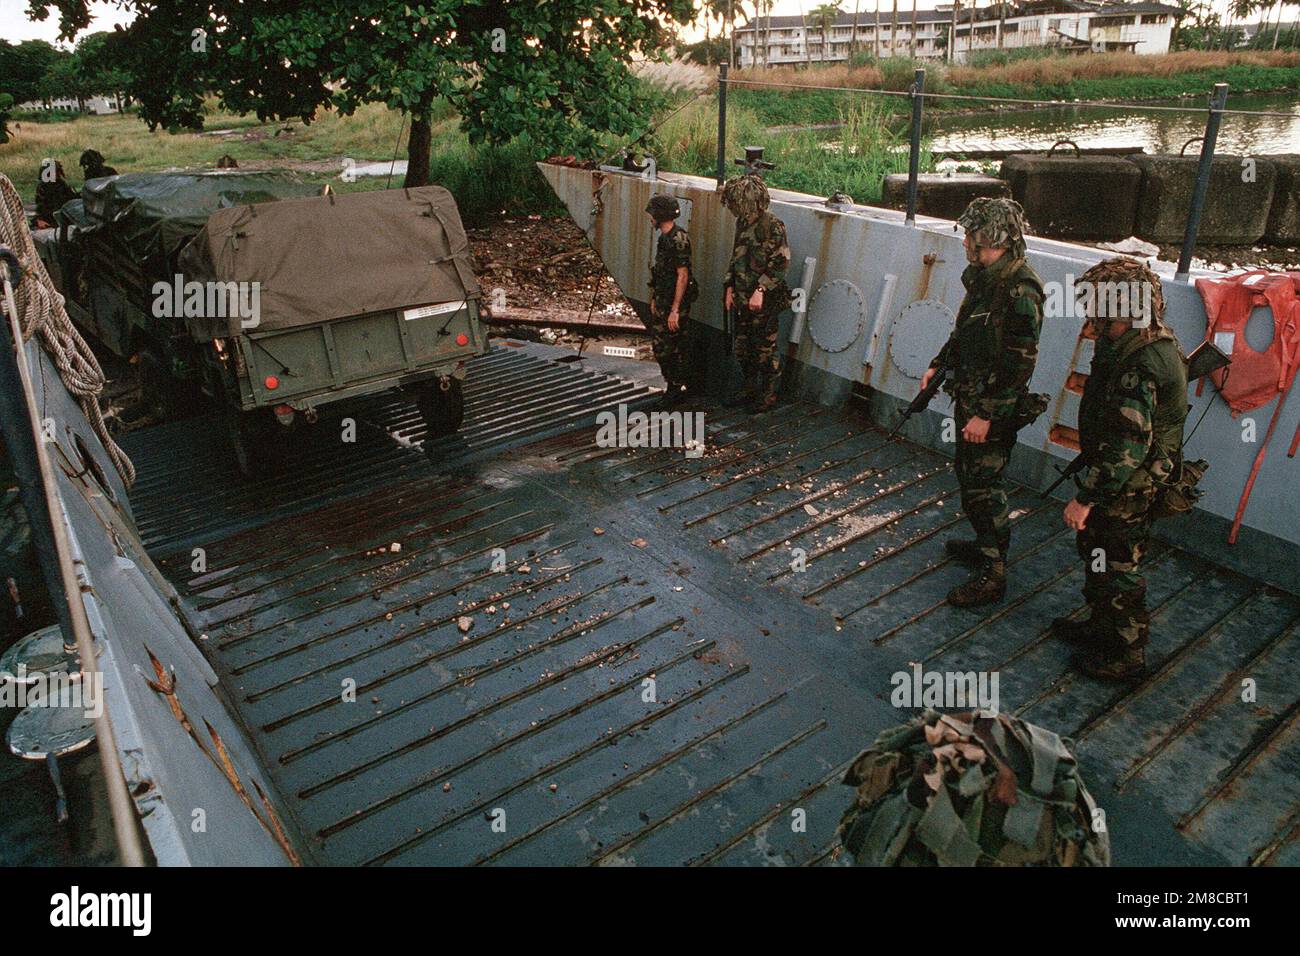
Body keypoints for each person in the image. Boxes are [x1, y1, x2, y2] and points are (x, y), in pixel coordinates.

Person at [1055, 257, 1188, 681]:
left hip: (1127, 485)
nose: (1091, 318)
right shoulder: (1129, 341)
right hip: (1117, 476)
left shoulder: (1140, 364)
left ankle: (1128, 653)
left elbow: (1129, 449)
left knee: (1117, 567)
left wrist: (1085, 498)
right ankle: (1100, 626)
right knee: (1097, 553)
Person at [921, 197, 1044, 608]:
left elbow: (1019, 364)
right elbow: (965, 333)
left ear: (989, 238)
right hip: (971, 397)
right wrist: (939, 363)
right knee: (969, 478)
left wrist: (986, 416)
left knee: (986, 488)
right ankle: (983, 544)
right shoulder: (982, 277)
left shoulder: (1020, 289)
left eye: (971, 236)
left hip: (991, 408)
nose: (965, 244)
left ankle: (993, 572)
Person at [721, 173, 790, 412]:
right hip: (741, 296)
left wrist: (760, 289)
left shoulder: (772, 226)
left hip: (765, 300)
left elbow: (780, 263)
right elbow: (735, 257)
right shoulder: (742, 224)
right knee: (742, 347)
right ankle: (749, 388)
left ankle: (768, 394)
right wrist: (729, 286)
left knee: (764, 350)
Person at [645, 194, 700, 404]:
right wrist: (654, 298)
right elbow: (660, 272)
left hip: (674, 304)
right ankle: (674, 385)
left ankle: (676, 388)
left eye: (652, 214)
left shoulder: (678, 240)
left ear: (660, 215)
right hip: (662, 300)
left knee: (671, 347)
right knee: (661, 346)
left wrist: (675, 310)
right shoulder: (664, 238)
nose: (650, 218)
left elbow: (683, 275)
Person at [34, 159, 76, 228]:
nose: (57, 174)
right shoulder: (43, 186)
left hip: (63, 217)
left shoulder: (61, 184)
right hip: (50, 220)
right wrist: (39, 220)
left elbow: (71, 199)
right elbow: (40, 206)